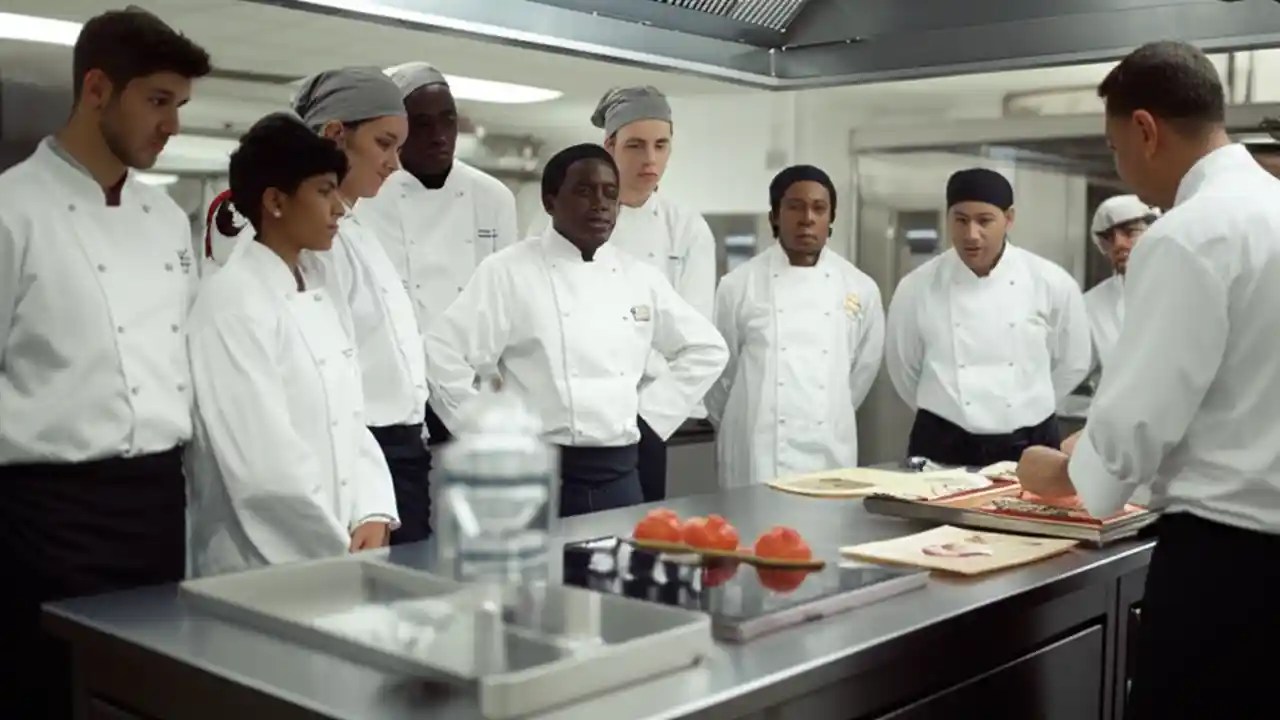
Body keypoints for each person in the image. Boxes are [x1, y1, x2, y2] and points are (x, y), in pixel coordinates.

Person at [1017, 41, 1280, 719]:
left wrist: (1062, 470)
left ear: (1144, 129)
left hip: (1227, 563)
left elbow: (1136, 425)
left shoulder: (1189, 234)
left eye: (1114, 147)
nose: (1121, 165)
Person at [0, 9, 210, 716]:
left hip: (155, 506)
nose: (172, 125)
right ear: (96, 89)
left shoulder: (162, 219)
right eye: (157, 101)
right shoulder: (11, 212)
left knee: (143, 700)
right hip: (44, 518)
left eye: (179, 106)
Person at [425, 144, 727, 516]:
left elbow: (708, 349)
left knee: (619, 571)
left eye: (610, 194)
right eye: (584, 191)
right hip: (538, 478)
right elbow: (440, 351)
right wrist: (482, 431)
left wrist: (650, 415)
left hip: (621, 476)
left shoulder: (640, 278)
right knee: (539, 575)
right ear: (550, 201)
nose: (601, 204)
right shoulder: (508, 271)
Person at [209, 69, 432, 544]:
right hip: (298, 526)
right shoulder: (241, 297)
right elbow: (263, 456)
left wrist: (371, 507)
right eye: (385, 144)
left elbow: (346, 408)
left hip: (368, 477)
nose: (396, 163)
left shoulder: (344, 244)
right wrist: (336, 536)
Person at [187, 113, 400, 577]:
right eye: (324, 192)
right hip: (263, 560)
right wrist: (336, 552)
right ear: (276, 202)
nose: (339, 208)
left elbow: (349, 416)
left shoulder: (319, 285)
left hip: (340, 548)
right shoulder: (232, 304)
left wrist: (372, 512)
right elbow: (262, 467)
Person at [354, 61, 519, 450]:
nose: (439, 136)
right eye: (422, 123)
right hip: (395, 390)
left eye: (448, 121)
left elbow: (507, 306)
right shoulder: (367, 198)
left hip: (474, 389)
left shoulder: (492, 197)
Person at [884, 168, 1091, 467]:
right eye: (961, 220)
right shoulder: (916, 287)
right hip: (942, 444)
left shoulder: (1050, 282)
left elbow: (1073, 362)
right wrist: (947, 409)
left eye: (984, 221)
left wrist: (1027, 404)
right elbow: (903, 368)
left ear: (1009, 219)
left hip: (1029, 444)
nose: (971, 234)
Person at [706, 165, 884, 487]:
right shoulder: (738, 285)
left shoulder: (860, 288)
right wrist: (745, 422)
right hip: (758, 451)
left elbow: (860, 373)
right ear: (774, 215)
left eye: (819, 208)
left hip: (830, 446)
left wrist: (832, 409)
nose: (807, 218)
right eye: (795, 207)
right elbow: (721, 375)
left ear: (831, 218)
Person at [590, 85, 717, 504]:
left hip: (647, 414)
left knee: (639, 540)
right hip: (581, 409)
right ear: (609, 146)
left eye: (661, 146)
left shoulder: (687, 227)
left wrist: (648, 413)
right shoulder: (571, 218)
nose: (650, 160)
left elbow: (695, 330)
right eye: (636, 145)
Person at [1084, 195, 1158, 375]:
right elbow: (1074, 365)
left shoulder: (1186, 288)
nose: (1118, 245)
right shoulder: (1092, 304)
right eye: (1109, 238)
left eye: (1130, 232)